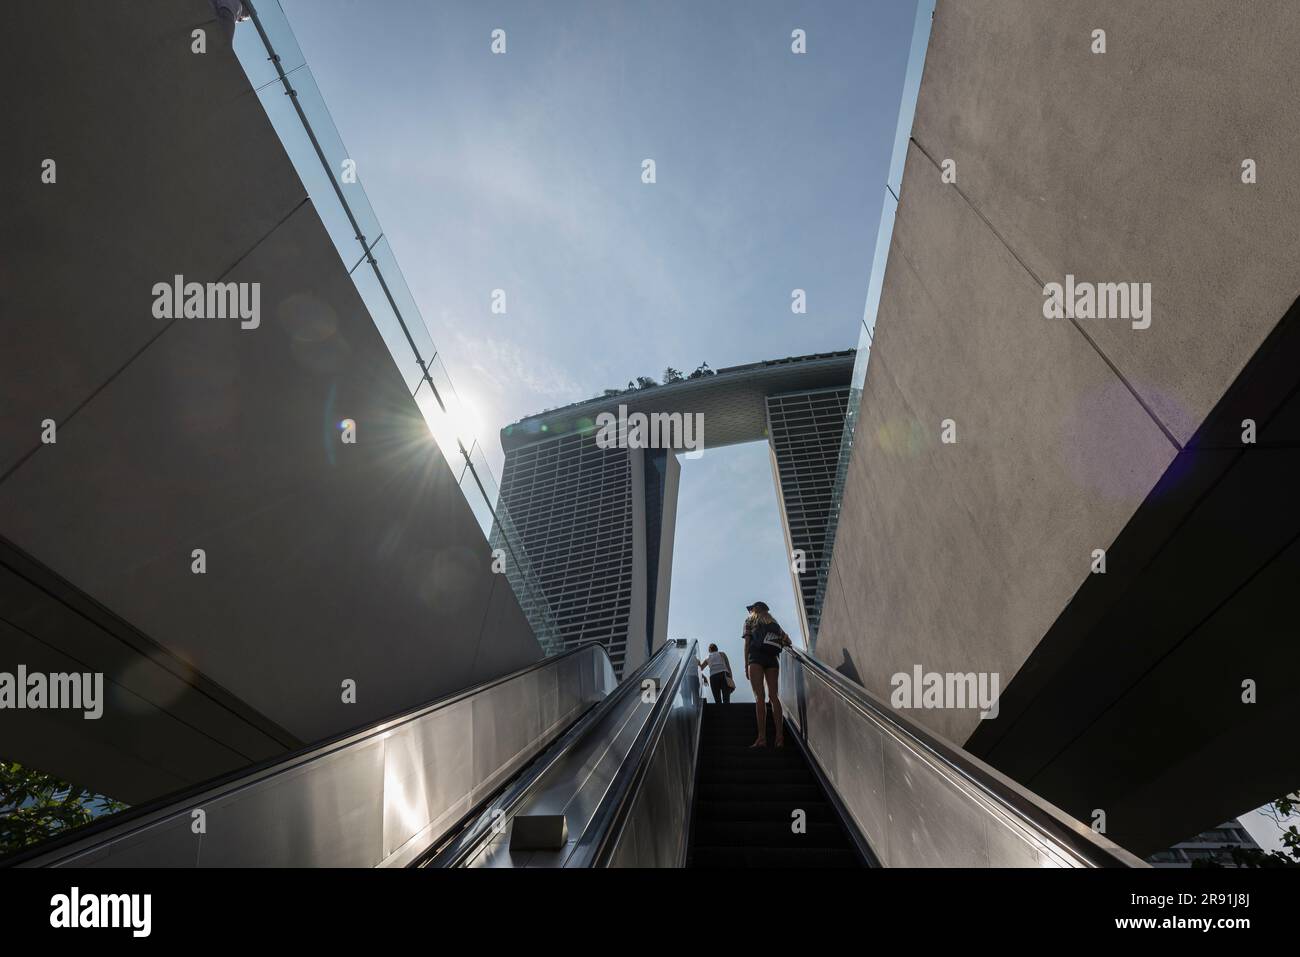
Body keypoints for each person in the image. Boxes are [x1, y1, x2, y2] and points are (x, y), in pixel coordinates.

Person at [742, 601, 792, 747]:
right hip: (772, 659)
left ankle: (762, 738)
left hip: (756, 658)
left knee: (759, 697)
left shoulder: (749, 620)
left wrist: (746, 665)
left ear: (755, 609)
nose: (750, 611)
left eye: (751, 609)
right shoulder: (774, 624)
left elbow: (747, 643)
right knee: (773, 696)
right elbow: (787, 641)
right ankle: (779, 737)